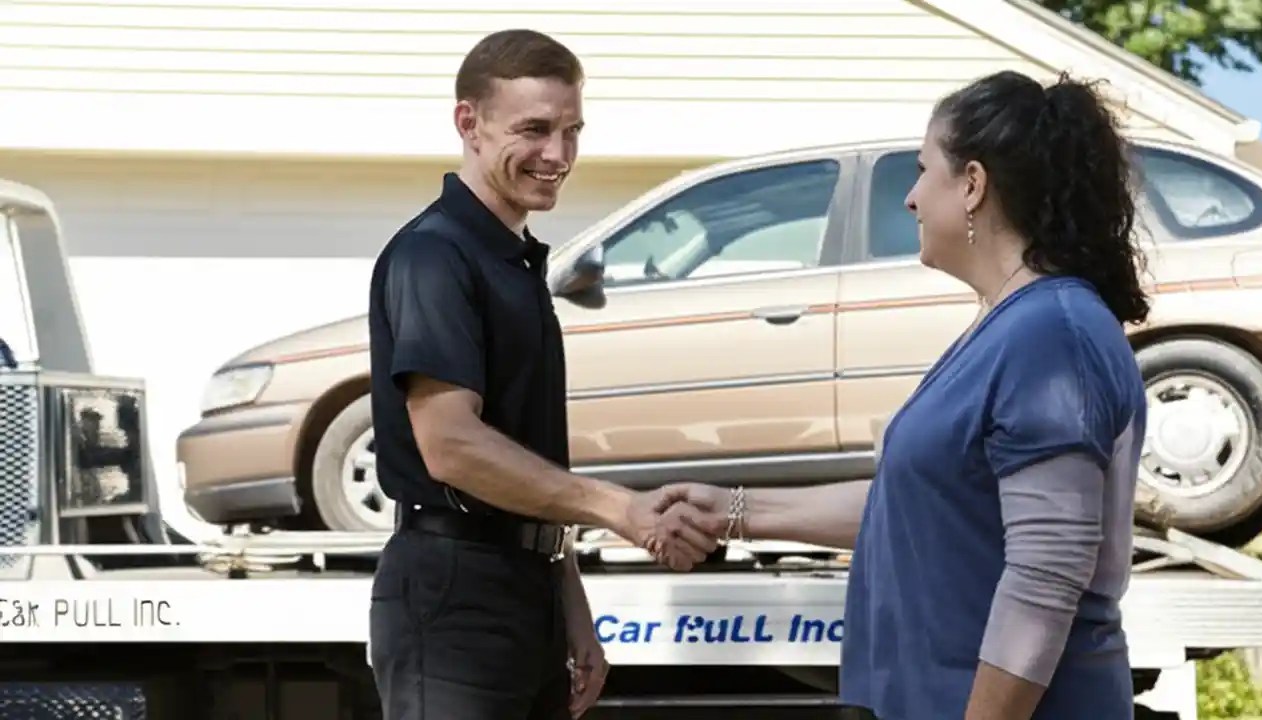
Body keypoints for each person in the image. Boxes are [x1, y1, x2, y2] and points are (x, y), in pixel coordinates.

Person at [652, 69, 1152, 720]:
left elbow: (1046, 576)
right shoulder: (1010, 328)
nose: (911, 198)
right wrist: (737, 511)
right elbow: (919, 510)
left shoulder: (1049, 335)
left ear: (973, 185)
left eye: (922, 169)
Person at [365, 29, 719, 720]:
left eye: (571, 130)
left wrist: (573, 609)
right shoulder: (435, 256)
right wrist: (616, 507)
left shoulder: (515, 262)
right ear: (468, 121)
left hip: (528, 592)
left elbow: (529, 463)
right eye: (533, 129)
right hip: (452, 599)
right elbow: (452, 445)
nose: (557, 155)